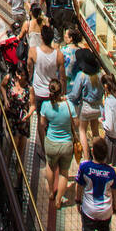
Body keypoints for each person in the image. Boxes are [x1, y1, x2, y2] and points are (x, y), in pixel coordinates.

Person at [37, 78, 76, 209]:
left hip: (51, 142)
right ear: (61, 92)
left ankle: (50, 193)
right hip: (66, 144)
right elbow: (76, 123)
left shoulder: (46, 106)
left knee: (50, 166)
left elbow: (42, 124)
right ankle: (59, 200)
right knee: (64, 172)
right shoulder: (69, 105)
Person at [69, 50, 104, 160]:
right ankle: (98, 155)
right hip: (98, 108)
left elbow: (75, 94)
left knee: (82, 130)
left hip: (86, 108)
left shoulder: (82, 75)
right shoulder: (100, 75)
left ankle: (86, 157)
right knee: (95, 131)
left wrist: (66, 97)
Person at [28, 22, 65, 113]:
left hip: (38, 92)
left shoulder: (33, 51)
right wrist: (62, 93)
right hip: (53, 92)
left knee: (40, 118)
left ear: (41, 37)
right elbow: (62, 77)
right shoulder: (59, 54)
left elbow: (30, 69)